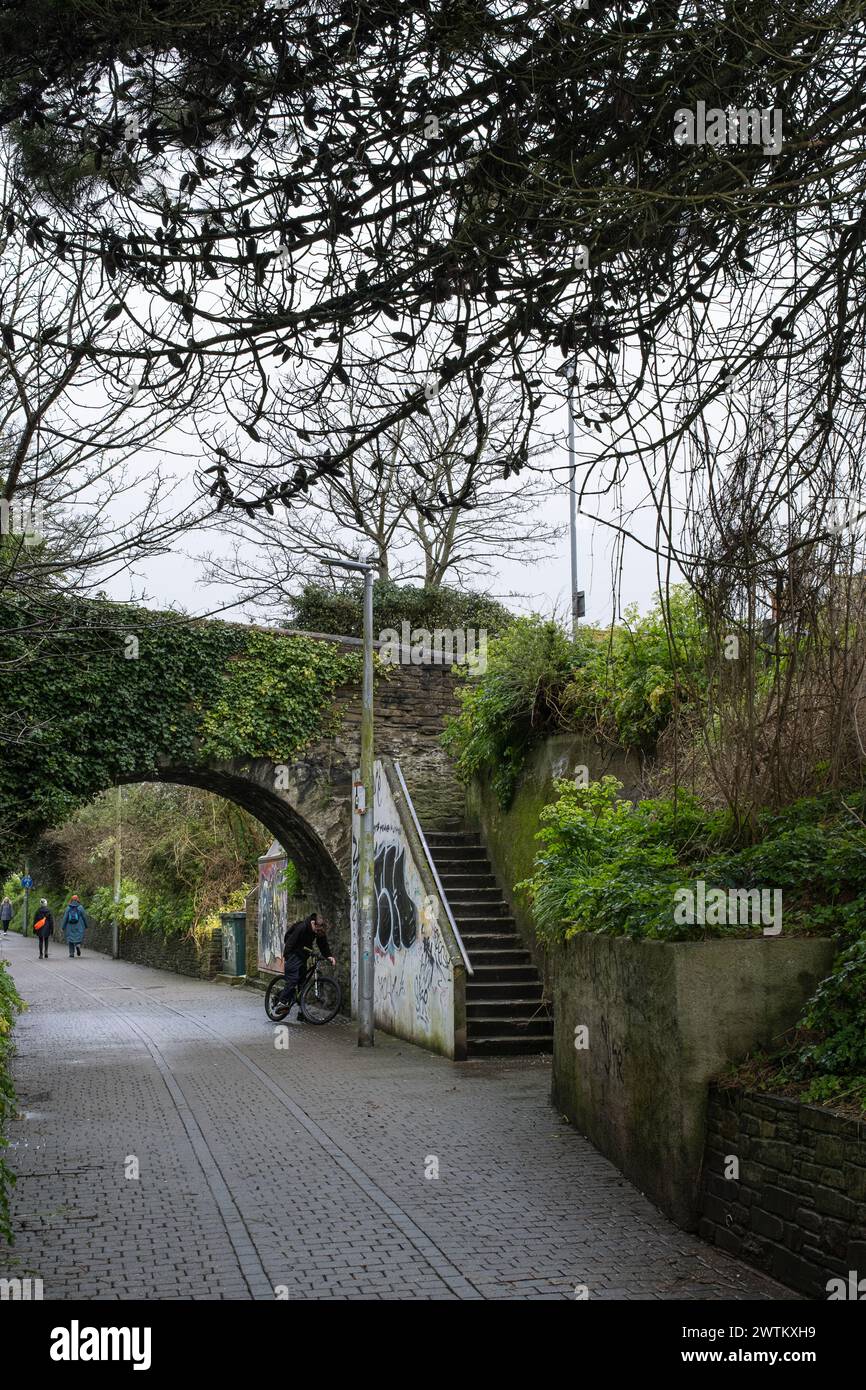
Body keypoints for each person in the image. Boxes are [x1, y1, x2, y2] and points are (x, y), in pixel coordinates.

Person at [278, 912, 335, 1021]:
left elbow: (323, 943)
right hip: (293, 955)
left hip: (302, 956)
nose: (318, 932)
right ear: (313, 923)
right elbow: (290, 942)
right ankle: (282, 1002)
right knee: (293, 979)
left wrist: (329, 956)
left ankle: (301, 1012)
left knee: (302, 983)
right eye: (317, 930)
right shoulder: (302, 927)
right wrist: (288, 957)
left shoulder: (318, 929)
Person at [61, 895, 88, 959]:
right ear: (77, 899)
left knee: (70, 939)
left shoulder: (68, 908)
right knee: (78, 937)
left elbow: (65, 918)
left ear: (71, 900)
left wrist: (63, 927)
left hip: (69, 926)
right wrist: (86, 925)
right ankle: (78, 945)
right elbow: (84, 917)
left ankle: (71, 953)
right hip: (79, 926)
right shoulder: (80, 907)